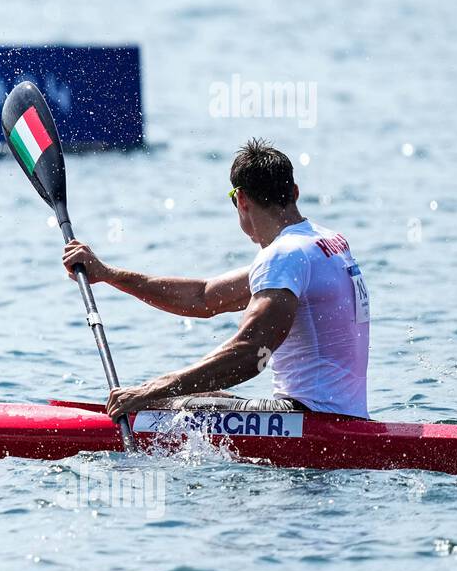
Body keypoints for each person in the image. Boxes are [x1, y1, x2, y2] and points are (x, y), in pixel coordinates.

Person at [62, 139, 369, 419]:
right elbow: (204, 297)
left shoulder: (283, 255)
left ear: (242, 200)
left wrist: (151, 391)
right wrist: (108, 274)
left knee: (160, 406)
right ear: (295, 193)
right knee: (194, 396)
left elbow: (250, 354)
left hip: (309, 418)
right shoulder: (325, 243)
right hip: (346, 415)